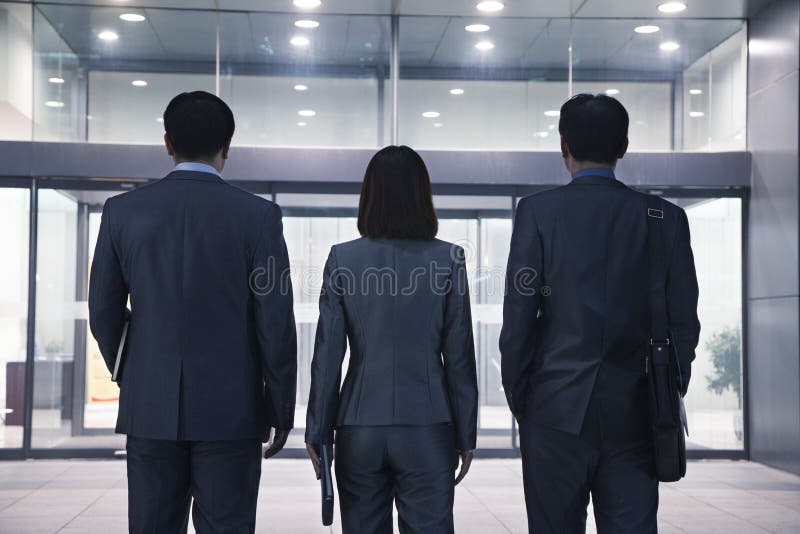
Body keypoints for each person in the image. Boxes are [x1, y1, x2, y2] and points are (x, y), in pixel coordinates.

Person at [88, 91, 297, 534]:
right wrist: (280, 407)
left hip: (150, 406)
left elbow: (103, 309)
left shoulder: (122, 212)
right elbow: (275, 322)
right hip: (232, 411)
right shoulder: (259, 216)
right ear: (227, 146)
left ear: (167, 143)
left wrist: (132, 371)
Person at [500, 94, 700, 533]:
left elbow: (519, 316)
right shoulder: (664, 218)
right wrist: (666, 390)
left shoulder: (537, 212)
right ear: (623, 146)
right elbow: (684, 321)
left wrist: (522, 400)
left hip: (552, 408)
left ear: (563, 145)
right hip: (637, 412)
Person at [304, 145, 479, 533]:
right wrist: (466, 434)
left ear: (369, 195)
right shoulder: (449, 259)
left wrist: (318, 430)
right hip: (429, 427)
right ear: (422, 195)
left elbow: (328, 355)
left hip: (359, 426)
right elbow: (460, 357)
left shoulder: (343, 259)